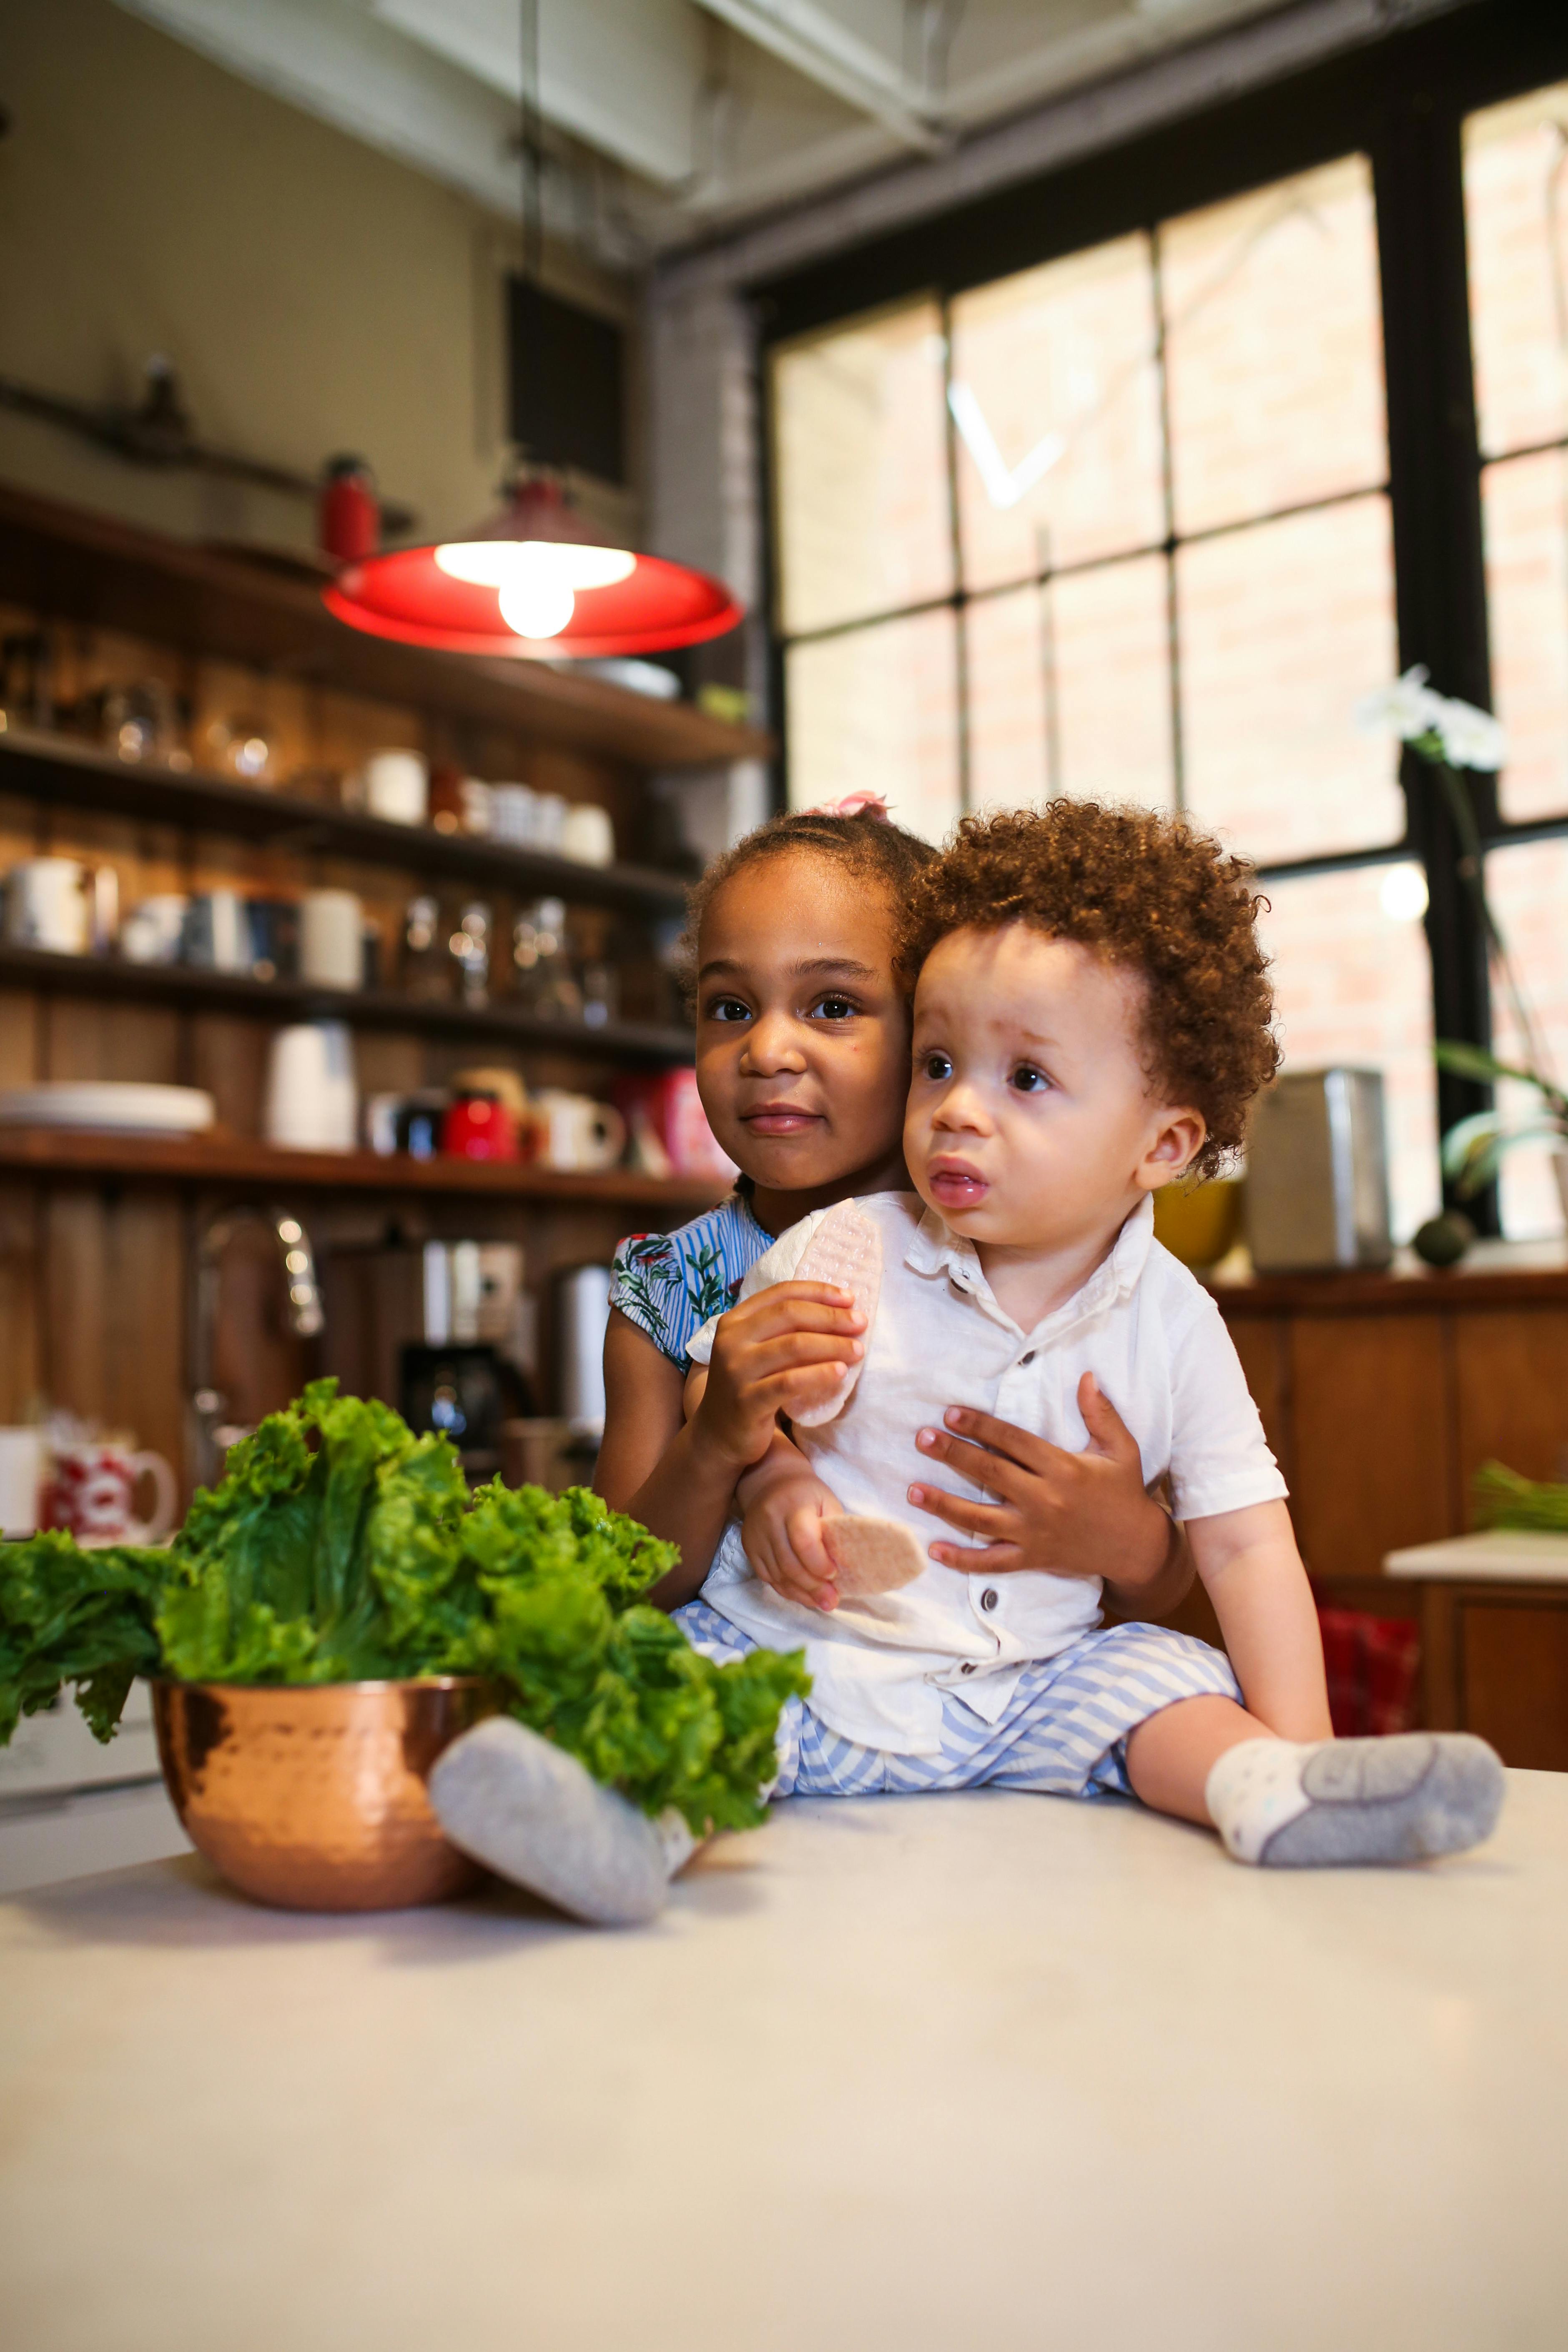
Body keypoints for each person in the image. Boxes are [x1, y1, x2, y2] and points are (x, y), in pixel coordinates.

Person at [429, 799, 1500, 1921]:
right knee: (690, 1680)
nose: (956, 1111)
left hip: (1023, 1689)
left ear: (1162, 1142)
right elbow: (731, 1437)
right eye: (941, 1065)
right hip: (811, 1664)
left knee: (1167, 1681)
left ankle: (1280, 1794)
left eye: (1020, 1077)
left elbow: (1232, 1544)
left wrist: (1282, 1722)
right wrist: (769, 1472)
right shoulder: (837, 1250)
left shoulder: (1169, 1317)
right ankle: (624, 1829)